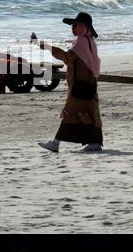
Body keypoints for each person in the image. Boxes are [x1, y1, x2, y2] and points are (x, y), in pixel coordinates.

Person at [36, 12, 103, 153]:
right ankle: (92, 142)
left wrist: (48, 47)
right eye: (72, 25)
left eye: (75, 25)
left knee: (71, 111)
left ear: (84, 26)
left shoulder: (82, 41)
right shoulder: (90, 40)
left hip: (80, 84)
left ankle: (56, 143)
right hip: (89, 83)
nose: (73, 28)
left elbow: (68, 57)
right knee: (87, 112)